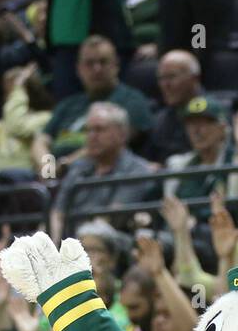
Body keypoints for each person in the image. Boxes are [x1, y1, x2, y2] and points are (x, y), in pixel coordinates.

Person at [50, 102, 158, 240]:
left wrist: (79, 247)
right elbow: (57, 213)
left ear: (122, 134)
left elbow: (111, 217)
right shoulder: (78, 168)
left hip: (109, 243)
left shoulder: (137, 170)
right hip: (71, 245)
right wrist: (51, 247)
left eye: (99, 129)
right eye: (88, 130)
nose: (92, 136)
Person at [39, 34, 155, 160]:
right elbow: (41, 141)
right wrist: (49, 171)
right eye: (89, 63)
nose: (97, 69)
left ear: (116, 65)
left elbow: (110, 144)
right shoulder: (68, 104)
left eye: (103, 62)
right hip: (54, 174)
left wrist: (65, 165)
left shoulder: (132, 100)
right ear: (79, 69)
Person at [143, 49, 204, 164]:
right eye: (161, 78)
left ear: (195, 79)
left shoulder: (212, 115)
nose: (166, 85)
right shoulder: (159, 120)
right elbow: (149, 160)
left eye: (171, 77)